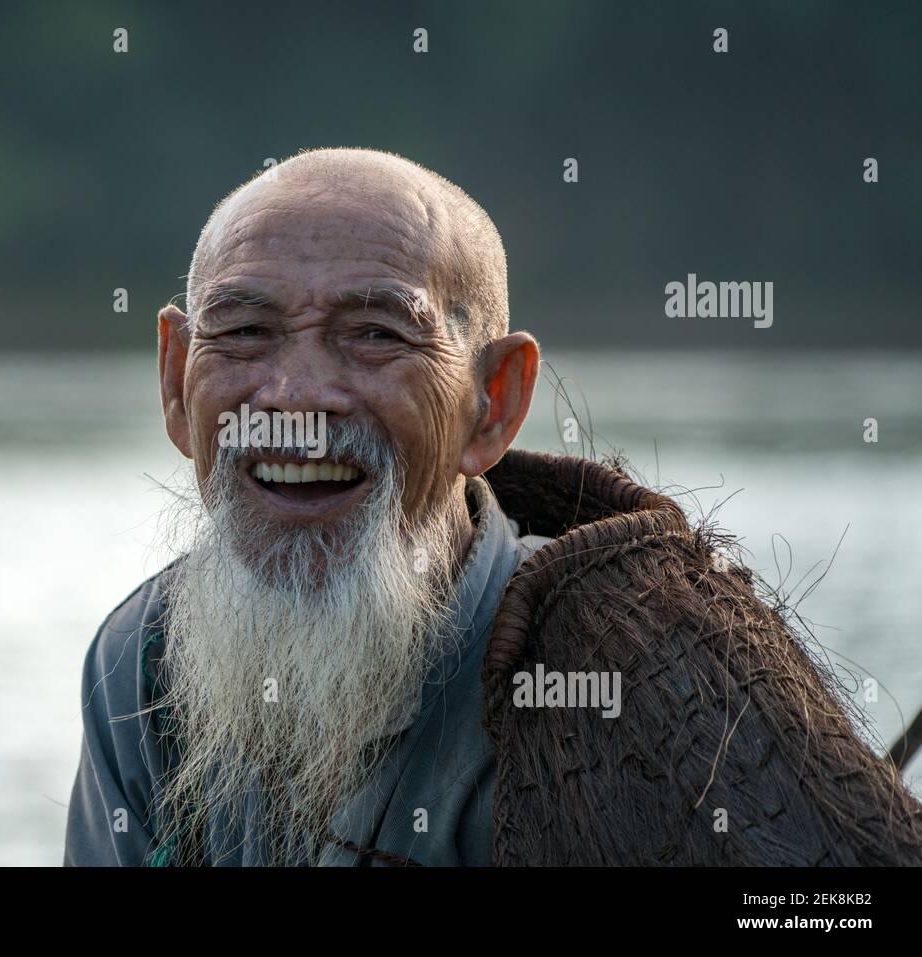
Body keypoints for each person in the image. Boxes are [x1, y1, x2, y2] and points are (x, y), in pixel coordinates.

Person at [64, 147, 922, 866]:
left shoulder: (637, 696)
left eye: (375, 334)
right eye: (244, 332)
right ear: (178, 384)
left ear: (495, 401)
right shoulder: (138, 667)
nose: (294, 396)